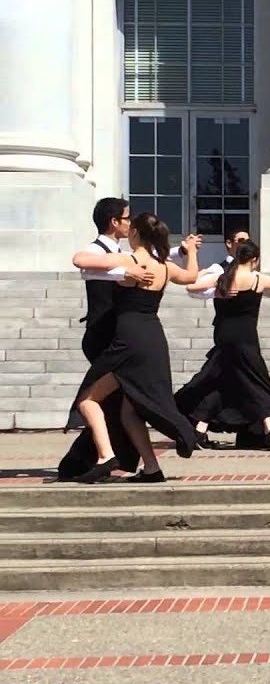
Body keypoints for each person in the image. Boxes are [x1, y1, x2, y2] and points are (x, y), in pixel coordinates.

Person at [65, 213, 203, 483]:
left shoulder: (131, 260)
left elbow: (79, 259)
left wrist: (125, 270)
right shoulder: (164, 266)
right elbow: (191, 276)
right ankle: (152, 468)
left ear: (136, 233)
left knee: (87, 400)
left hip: (128, 339)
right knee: (129, 412)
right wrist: (191, 251)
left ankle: (106, 456)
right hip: (153, 337)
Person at [175, 240, 270, 452]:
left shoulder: (224, 278)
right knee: (256, 382)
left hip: (224, 337)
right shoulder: (258, 279)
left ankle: (200, 429)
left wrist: (218, 292)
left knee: (221, 382)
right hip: (247, 338)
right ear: (254, 260)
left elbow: (191, 286)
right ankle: (269, 431)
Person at [58, 198, 158, 480]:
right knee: (106, 400)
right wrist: (126, 271)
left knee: (118, 402)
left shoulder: (119, 252)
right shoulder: (96, 250)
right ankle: (99, 459)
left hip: (118, 337)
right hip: (102, 337)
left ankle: (105, 460)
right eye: (127, 218)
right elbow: (81, 261)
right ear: (115, 221)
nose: (131, 223)